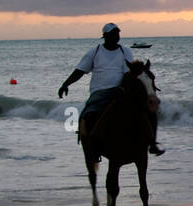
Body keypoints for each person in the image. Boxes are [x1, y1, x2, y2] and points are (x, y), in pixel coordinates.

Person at [58, 23, 162, 155]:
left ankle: (152, 144)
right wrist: (65, 84)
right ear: (105, 36)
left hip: (120, 91)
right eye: (113, 34)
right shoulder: (95, 51)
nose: (116, 36)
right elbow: (80, 71)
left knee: (149, 111)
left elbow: (128, 74)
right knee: (87, 115)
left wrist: (124, 88)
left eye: (117, 33)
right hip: (100, 92)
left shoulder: (125, 51)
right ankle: (91, 147)